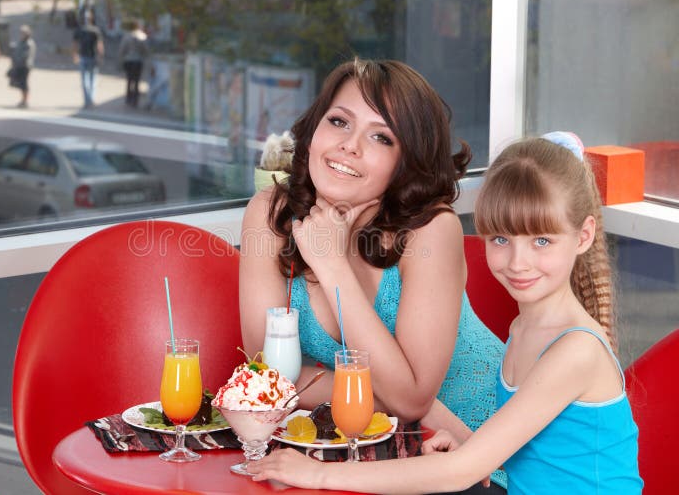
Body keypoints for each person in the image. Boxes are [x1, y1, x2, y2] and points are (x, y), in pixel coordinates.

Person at [248, 134, 643, 494]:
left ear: (584, 236)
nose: (519, 262)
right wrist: (472, 444)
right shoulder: (524, 328)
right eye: (501, 239)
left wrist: (316, 473)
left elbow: (460, 472)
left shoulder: (576, 350)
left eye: (541, 240)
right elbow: (546, 458)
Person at [239, 58, 506, 491]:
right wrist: (408, 402)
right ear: (314, 131)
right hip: (356, 455)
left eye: (381, 136)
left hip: (464, 459)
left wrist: (331, 264)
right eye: (339, 121)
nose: (350, 146)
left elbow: (411, 399)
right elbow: (267, 372)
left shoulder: (431, 230)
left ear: (407, 163)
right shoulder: (270, 214)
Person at [72, 9, 104, 109]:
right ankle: (90, 100)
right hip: (91, 57)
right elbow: (100, 45)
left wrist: (75, 55)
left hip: (85, 57)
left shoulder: (80, 30)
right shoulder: (95, 30)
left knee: (85, 80)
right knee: (92, 80)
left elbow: (75, 45)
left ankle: (87, 100)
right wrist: (100, 56)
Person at [118, 20, 149, 107]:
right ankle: (135, 99)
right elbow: (146, 50)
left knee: (129, 80)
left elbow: (122, 49)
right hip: (138, 61)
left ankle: (128, 98)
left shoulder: (127, 36)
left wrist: (121, 59)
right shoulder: (142, 36)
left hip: (129, 60)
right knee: (136, 81)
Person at [9, 25, 35, 108]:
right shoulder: (21, 42)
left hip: (25, 66)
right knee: (21, 84)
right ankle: (23, 100)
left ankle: (25, 101)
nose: (21, 34)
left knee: (24, 84)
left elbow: (25, 56)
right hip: (20, 65)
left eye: (23, 33)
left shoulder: (29, 43)